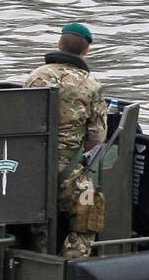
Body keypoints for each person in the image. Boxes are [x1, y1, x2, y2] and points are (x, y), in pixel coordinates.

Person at [23, 23, 108, 260]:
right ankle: (71, 268)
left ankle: (41, 264)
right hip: (70, 174)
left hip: (32, 170)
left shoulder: (35, 77)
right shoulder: (91, 86)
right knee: (90, 212)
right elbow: (96, 138)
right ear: (86, 51)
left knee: (40, 223)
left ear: (59, 45)